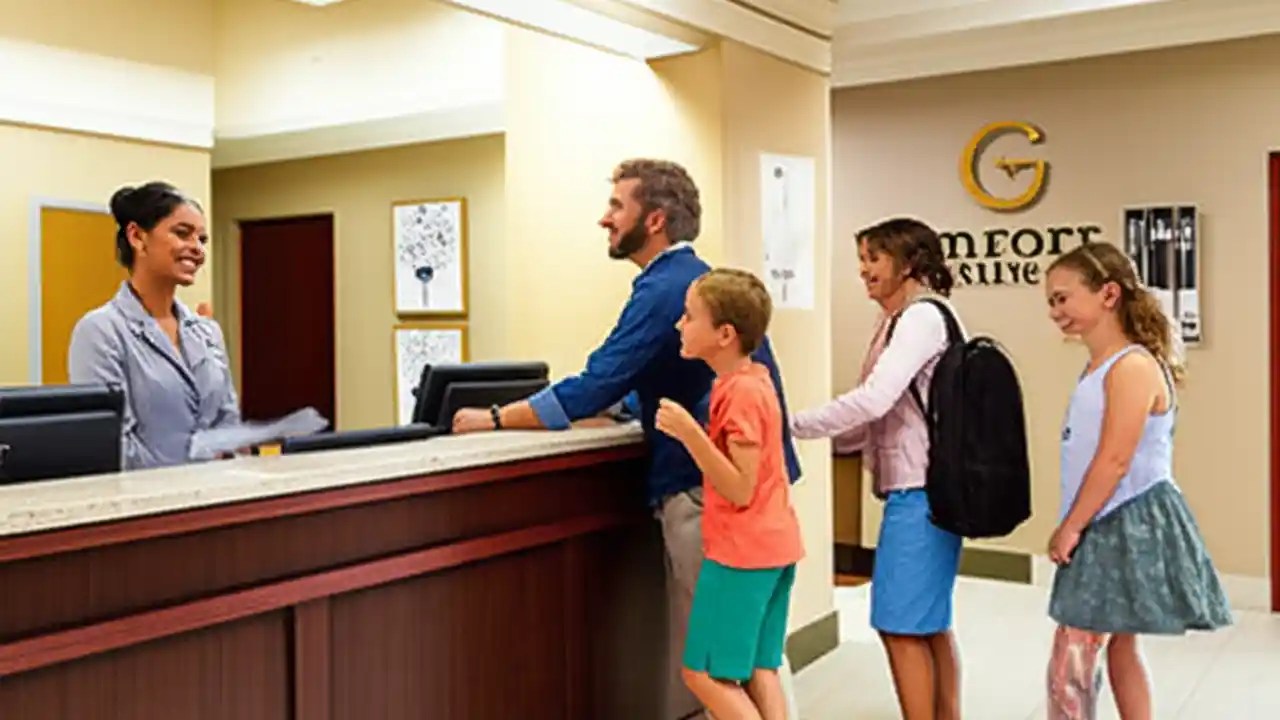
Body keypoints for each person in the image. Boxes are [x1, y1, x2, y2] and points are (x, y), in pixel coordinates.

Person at [451, 158, 802, 720]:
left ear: (655, 219)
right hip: (763, 507)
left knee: (714, 663)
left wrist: (492, 419)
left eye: (617, 206)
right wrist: (624, 406)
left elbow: (595, 382)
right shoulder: (703, 283)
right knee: (753, 654)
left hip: (705, 495)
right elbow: (658, 377)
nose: (604, 219)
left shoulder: (665, 291)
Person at [1042, 242, 1231, 720]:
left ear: (1108, 294)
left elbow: (1114, 459)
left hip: (1120, 519)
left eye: (1063, 298)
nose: (1055, 312)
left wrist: (1072, 526)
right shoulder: (1104, 366)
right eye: (1051, 301)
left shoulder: (1131, 367)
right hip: (1108, 515)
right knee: (1119, 646)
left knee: (1073, 656)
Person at [788, 218, 964, 720]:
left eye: (874, 259)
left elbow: (875, 399)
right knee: (927, 623)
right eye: (861, 259)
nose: (863, 270)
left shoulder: (920, 319)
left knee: (899, 624)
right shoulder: (901, 319)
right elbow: (886, 412)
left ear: (908, 263)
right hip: (919, 489)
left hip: (921, 493)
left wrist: (792, 424)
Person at [653, 268, 803, 720]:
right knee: (761, 667)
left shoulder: (737, 393)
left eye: (689, 316)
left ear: (724, 334)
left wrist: (688, 433)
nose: (680, 325)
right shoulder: (756, 381)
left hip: (741, 554)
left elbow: (739, 486)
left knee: (703, 674)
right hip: (774, 548)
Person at [68, 182, 241, 470]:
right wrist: (189, 474)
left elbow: (228, 421)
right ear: (137, 236)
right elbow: (112, 444)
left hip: (216, 496)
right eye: (182, 234)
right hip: (148, 503)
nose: (197, 249)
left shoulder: (208, 332)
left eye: (202, 239)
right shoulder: (101, 331)